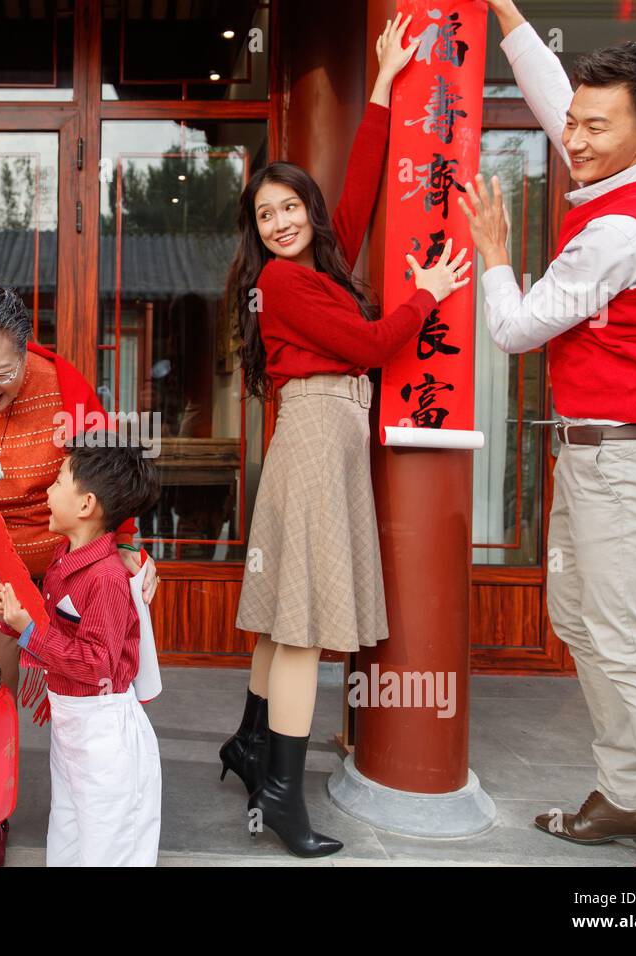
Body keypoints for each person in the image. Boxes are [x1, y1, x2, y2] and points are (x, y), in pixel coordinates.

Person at [463, 0, 636, 868]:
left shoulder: (618, 229)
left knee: (632, 650)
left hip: (627, 463)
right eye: (575, 121)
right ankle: (624, 796)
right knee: (582, 624)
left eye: (595, 127)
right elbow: (552, 94)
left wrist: (494, 251)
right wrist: (504, 10)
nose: (573, 136)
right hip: (595, 452)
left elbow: (516, 329)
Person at [219, 15, 472, 858]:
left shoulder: (317, 265)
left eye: (291, 208)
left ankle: (252, 747)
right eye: (267, 215)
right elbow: (368, 346)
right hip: (316, 438)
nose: (282, 222)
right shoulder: (286, 284)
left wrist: (379, 85)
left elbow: (356, 196)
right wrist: (427, 294)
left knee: (283, 621)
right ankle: (283, 798)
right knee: (298, 628)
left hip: (322, 437)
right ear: (255, 231)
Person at [0, 281, 159, 865]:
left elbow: (108, 476)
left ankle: (97, 812)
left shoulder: (62, 384)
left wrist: (126, 550)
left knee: (93, 681)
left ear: (26, 351)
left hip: (74, 555)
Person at [0, 440, 163, 866]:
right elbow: (51, 627)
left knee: (108, 836)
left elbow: (97, 662)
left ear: (86, 504)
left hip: (104, 729)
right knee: (67, 823)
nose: (46, 492)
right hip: (71, 722)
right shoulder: (63, 556)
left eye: (57, 481)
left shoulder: (104, 578)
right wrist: (11, 616)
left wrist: (28, 632)